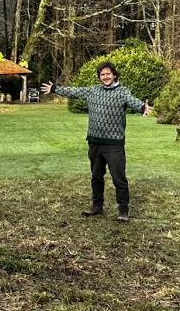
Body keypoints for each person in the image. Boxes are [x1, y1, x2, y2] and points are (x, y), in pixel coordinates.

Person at [41, 62, 154, 222]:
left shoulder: (122, 92)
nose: (106, 77)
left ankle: (123, 210)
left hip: (114, 144)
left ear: (114, 75)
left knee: (118, 178)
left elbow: (132, 100)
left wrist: (143, 107)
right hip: (94, 142)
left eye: (108, 74)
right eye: (102, 74)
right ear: (99, 77)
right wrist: (55, 89)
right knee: (96, 176)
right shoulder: (93, 90)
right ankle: (97, 206)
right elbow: (75, 91)